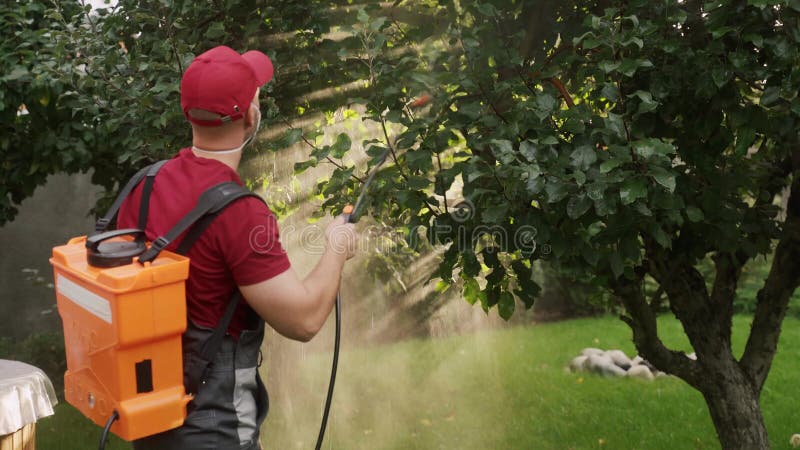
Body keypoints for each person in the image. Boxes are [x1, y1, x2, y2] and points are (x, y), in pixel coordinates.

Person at [118, 45, 356, 450]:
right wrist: (336, 246)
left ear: (187, 111)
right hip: (214, 431)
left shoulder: (144, 186)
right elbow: (303, 320)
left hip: (152, 424)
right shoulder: (239, 212)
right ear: (250, 117)